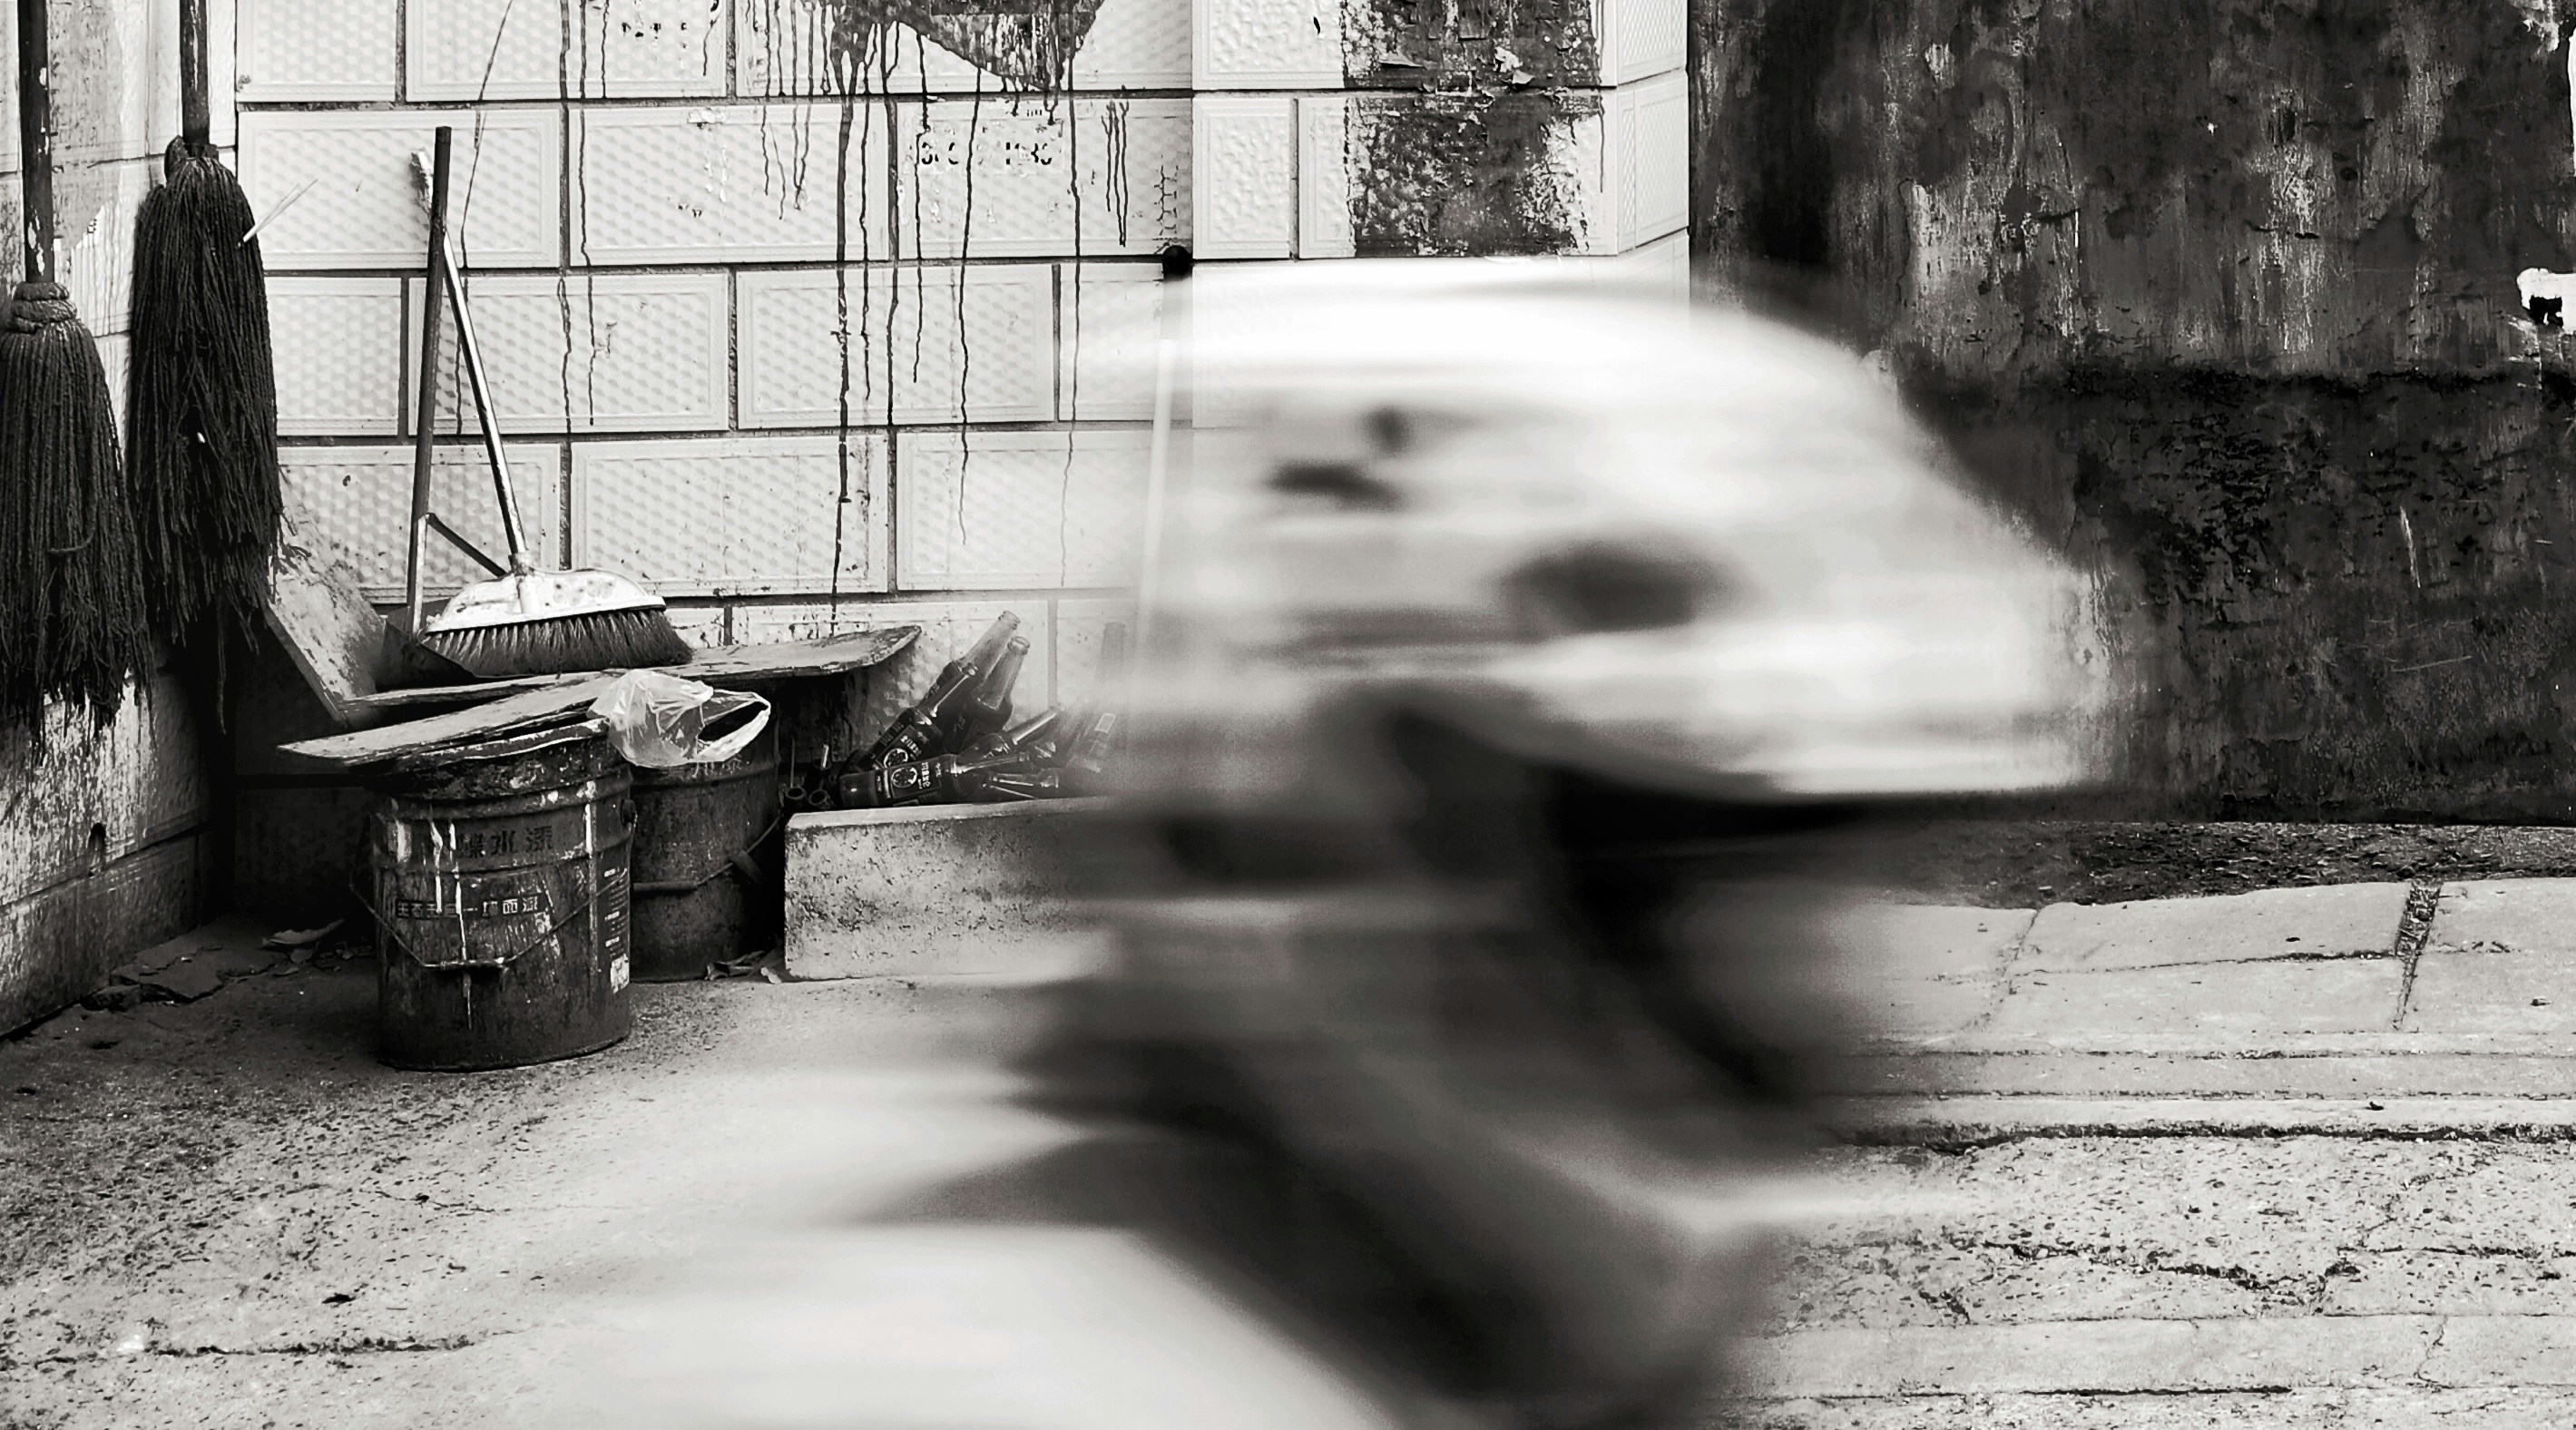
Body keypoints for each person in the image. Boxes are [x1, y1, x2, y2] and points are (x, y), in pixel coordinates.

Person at [602, 258, 2097, 1429]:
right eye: (1756, 890)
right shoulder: (1013, 1366)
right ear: (1442, 892)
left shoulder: (1463, 1323)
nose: (1858, 995)